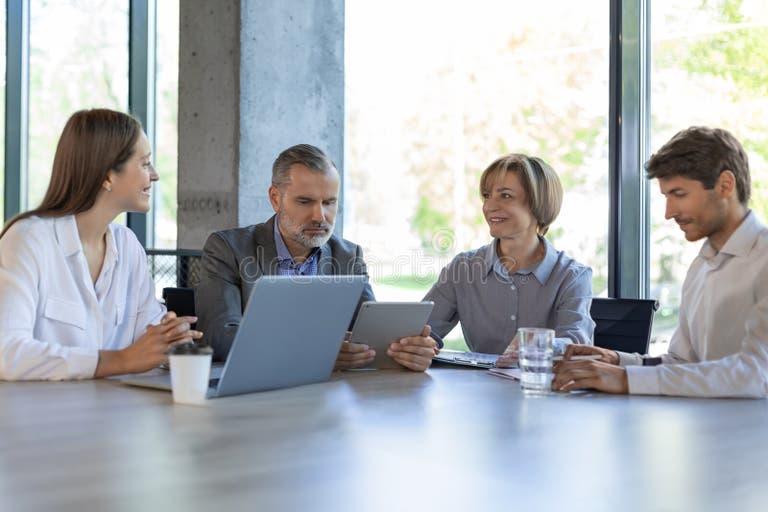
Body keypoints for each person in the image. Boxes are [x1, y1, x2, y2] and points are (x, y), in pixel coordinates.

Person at [553, 126, 768, 398]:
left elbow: (757, 374)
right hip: (707, 433)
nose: (669, 213)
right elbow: (683, 364)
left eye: (679, 194)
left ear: (725, 185)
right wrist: (617, 361)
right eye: (666, 197)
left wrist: (625, 379)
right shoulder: (701, 267)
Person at [196, 144, 437, 372]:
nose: (319, 215)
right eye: (305, 201)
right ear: (275, 198)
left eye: (329, 202)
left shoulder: (348, 256)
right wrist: (316, 352)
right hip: (255, 400)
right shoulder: (228, 249)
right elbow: (220, 337)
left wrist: (406, 350)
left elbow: (367, 335)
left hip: (328, 399)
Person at [0, 109, 201, 381]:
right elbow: (7, 352)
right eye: (145, 164)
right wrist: (120, 360)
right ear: (107, 175)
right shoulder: (28, 239)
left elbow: (149, 331)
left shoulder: (127, 245)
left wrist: (175, 341)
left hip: (111, 414)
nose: (154, 175)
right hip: (40, 418)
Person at [423, 153, 594, 359]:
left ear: (538, 204)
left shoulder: (572, 277)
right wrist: (419, 345)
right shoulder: (463, 268)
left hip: (540, 388)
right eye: (486, 196)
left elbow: (576, 343)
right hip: (477, 389)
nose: (489, 207)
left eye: (505, 196)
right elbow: (423, 329)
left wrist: (534, 343)